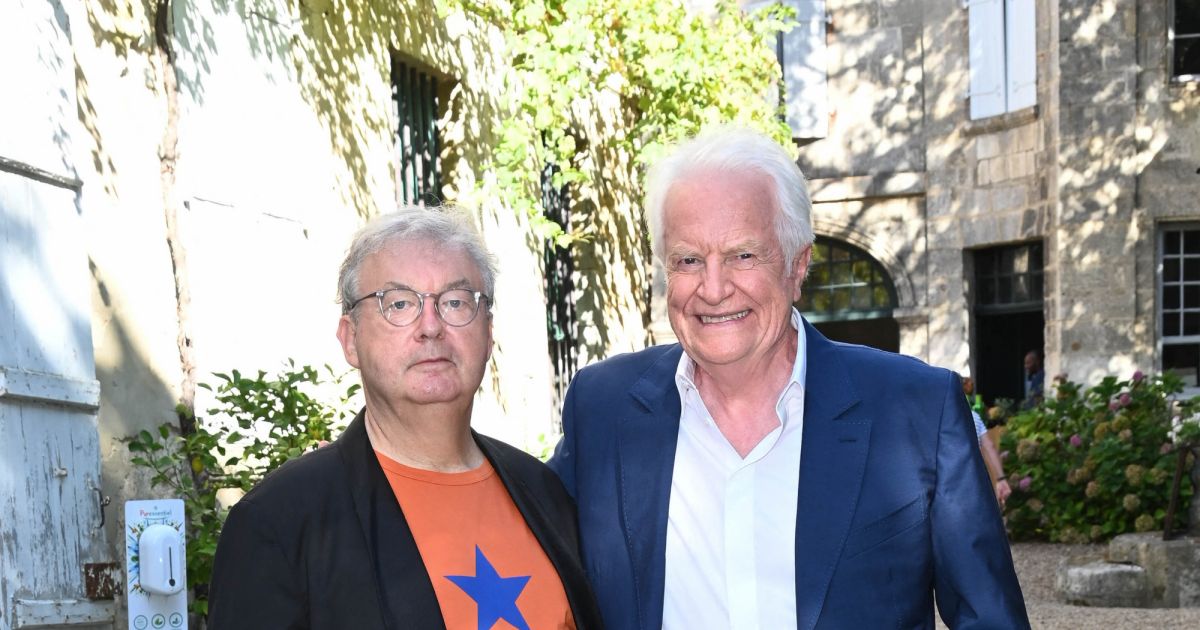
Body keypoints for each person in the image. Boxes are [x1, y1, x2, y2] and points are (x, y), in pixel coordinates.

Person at [549, 128, 1029, 628]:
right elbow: (526, 564)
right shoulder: (602, 409)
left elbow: (991, 618)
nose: (713, 289)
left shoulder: (916, 411)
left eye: (743, 255)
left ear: (798, 266)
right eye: (689, 260)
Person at [208, 208, 601, 629]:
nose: (430, 326)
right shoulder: (281, 523)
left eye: (455, 301)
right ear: (350, 339)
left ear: (488, 333)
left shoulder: (543, 493)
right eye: (398, 304)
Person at [962, 375, 1013, 507]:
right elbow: (989, 446)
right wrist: (1001, 479)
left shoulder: (937, 420)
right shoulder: (974, 416)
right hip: (974, 482)